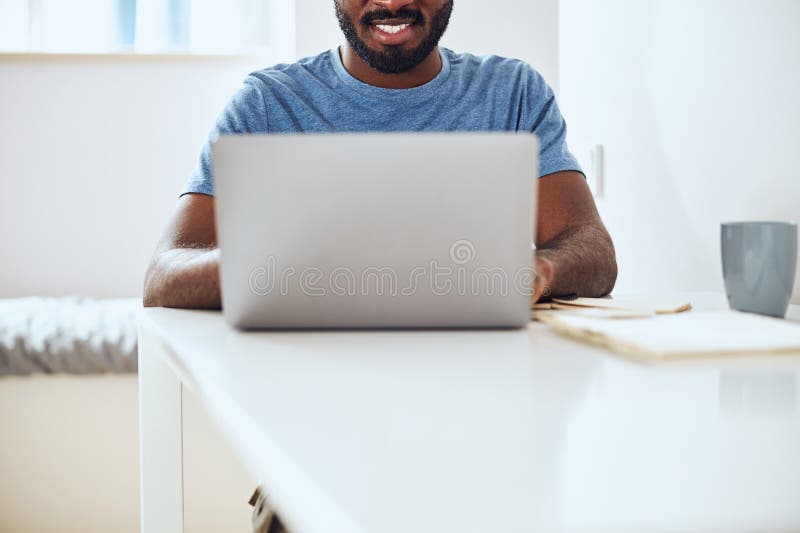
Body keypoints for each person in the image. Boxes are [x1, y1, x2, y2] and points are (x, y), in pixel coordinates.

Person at [143, 0, 617, 309]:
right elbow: (164, 275)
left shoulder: (513, 92)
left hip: (483, 381)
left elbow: (592, 249)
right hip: (307, 384)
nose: (391, 2)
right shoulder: (268, 103)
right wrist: (273, 267)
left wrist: (541, 270)